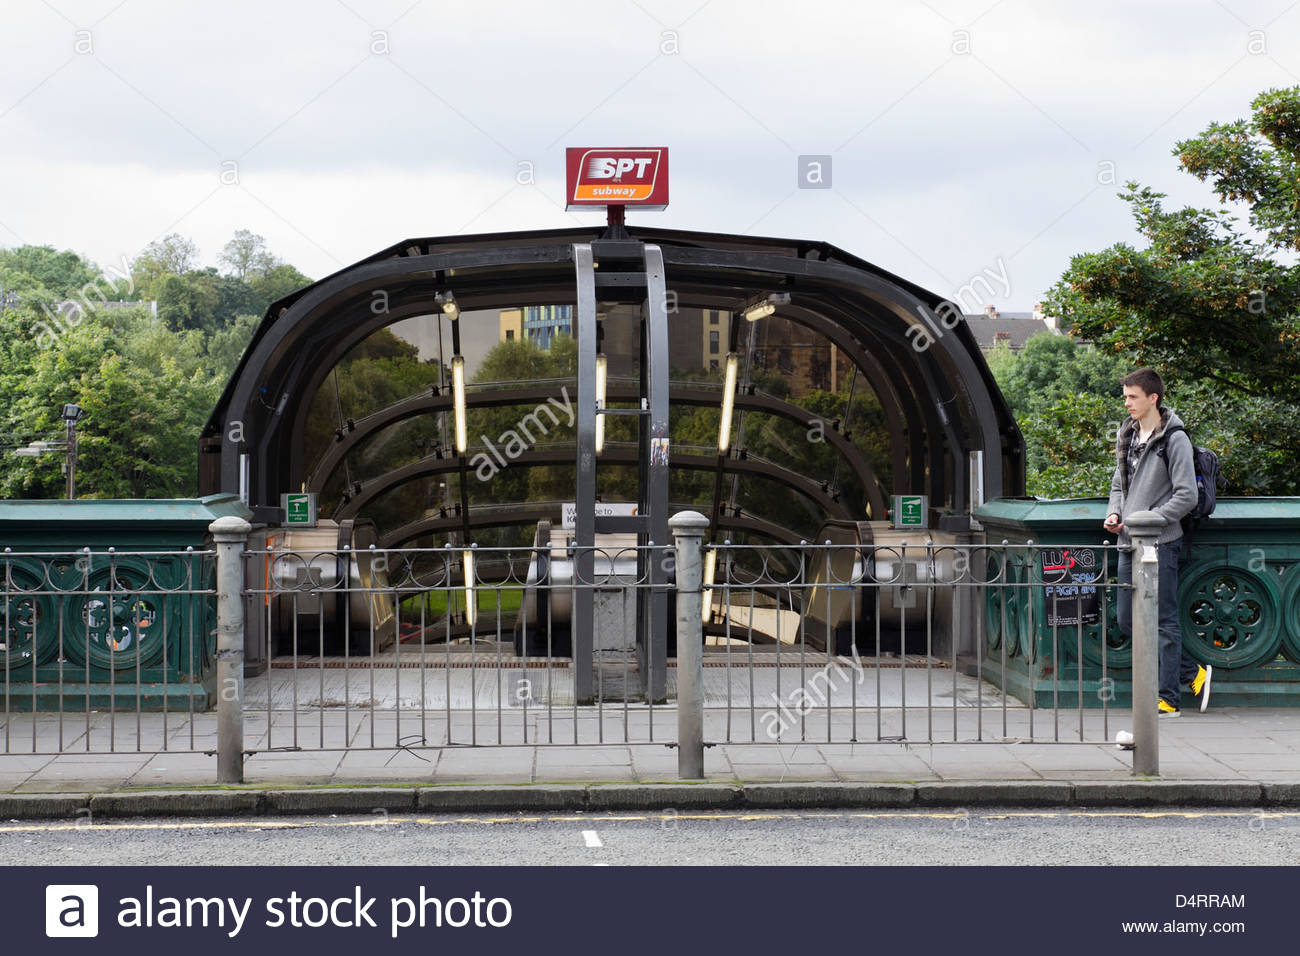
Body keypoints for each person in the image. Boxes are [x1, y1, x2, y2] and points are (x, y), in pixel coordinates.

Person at [1104, 368, 1211, 717]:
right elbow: (1119, 484)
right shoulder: (1127, 433)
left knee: (1163, 619)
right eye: (1125, 396)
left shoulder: (1174, 439)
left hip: (1160, 542)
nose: (1127, 403)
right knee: (1127, 620)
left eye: (1133, 396)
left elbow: (1187, 496)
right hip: (1127, 541)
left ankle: (1169, 698)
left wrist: (1150, 521)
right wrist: (1115, 514)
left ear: (1154, 398)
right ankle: (1191, 673)